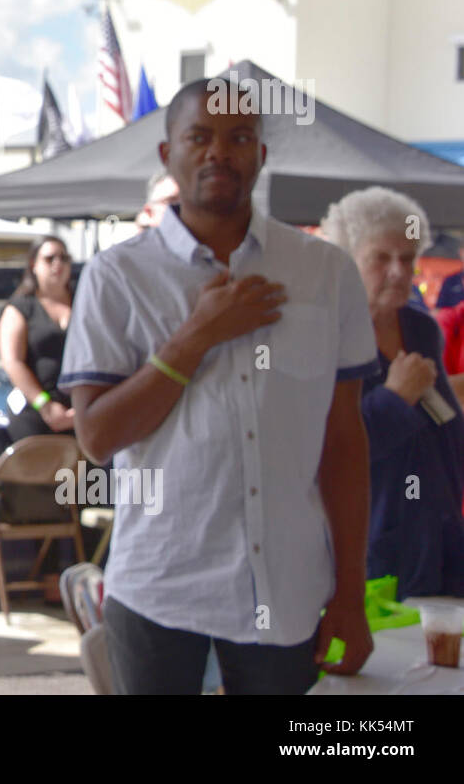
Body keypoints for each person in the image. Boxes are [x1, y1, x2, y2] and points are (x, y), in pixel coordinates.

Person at [61, 75, 378, 695]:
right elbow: (96, 437)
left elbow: (344, 442)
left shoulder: (325, 272)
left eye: (239, 137)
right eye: (199, 136)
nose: (219, 152)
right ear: (167, 153)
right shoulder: (117, 276)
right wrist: (196, 337)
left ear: (261, 154)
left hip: (289, 592)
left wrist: (351, 592)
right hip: (159, 589)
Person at [320, 188, 464, 600]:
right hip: (371, 548)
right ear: (347, 260)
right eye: (381, 258)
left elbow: (444, 427)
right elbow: (325, 447)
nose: (399, 271)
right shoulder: (326, 334)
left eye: (408, 257)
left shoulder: (421, 328)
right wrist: (395, 398)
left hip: (442, 540)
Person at [0, 235, 75, 440]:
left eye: (64, 258)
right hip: (35, 410)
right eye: (50, 259)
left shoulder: (84, 302)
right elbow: (13, 362)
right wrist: (45, 406)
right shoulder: (20, 307)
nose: (58, 264)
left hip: (78, 411)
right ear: (34, 265)